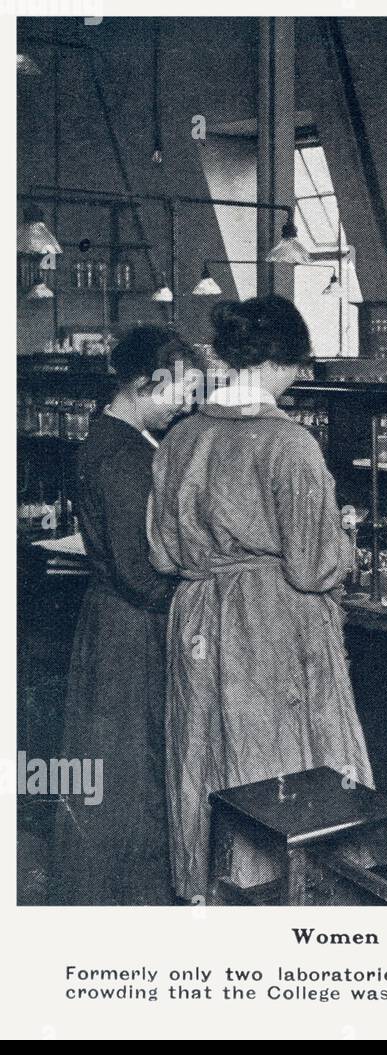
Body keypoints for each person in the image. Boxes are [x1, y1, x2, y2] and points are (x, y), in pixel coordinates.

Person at [148, 296, 374, 900]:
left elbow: (163, 553)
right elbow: (312, 565)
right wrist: (345, 547)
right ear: (280, 362)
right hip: (272, 619)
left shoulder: (179, 437)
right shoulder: (288, 442)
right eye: (297, 365)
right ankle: (281, 890)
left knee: (205, 749)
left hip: (196, 615)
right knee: (278, 761)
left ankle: (210, 886)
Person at [48, 327, 198, 905]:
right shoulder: (126, 455)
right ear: (147, 383)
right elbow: (141, 572)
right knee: (130, 776)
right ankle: (128, 903)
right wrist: (197, 585)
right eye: (182, 389)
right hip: (132, 629)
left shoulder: (109, 436)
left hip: (110, 620)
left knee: (108, 770)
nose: (187, 401)